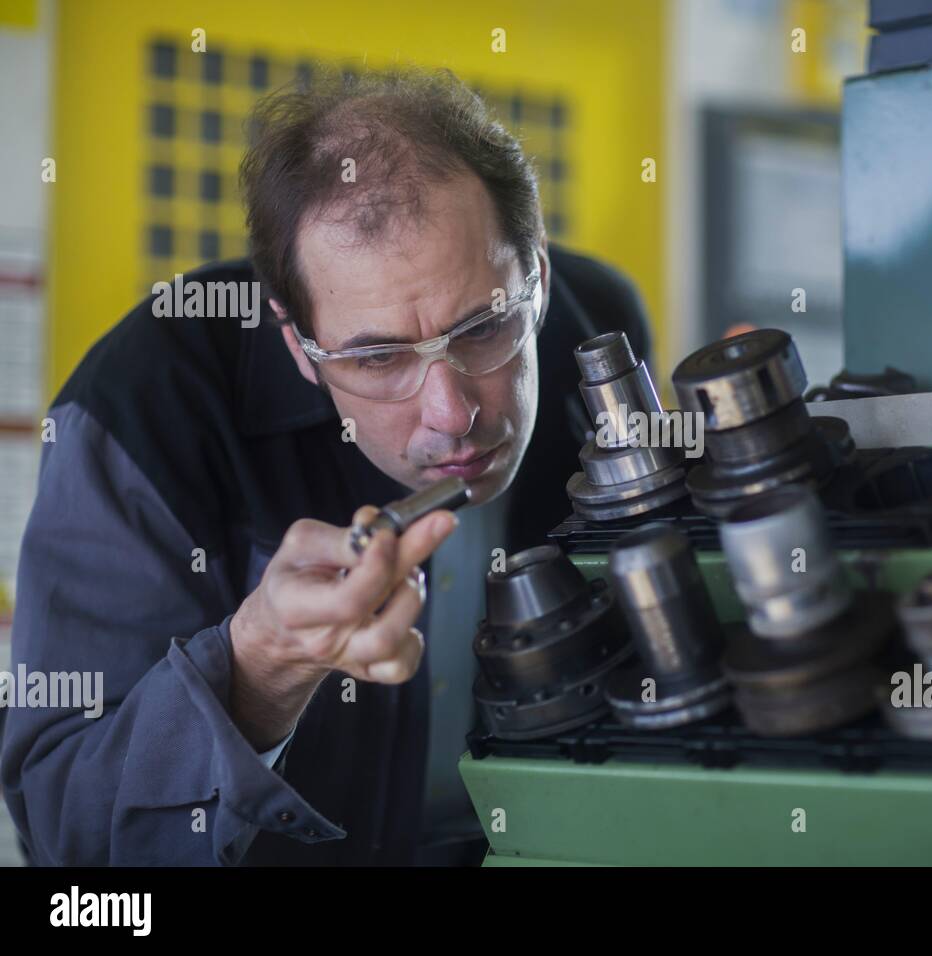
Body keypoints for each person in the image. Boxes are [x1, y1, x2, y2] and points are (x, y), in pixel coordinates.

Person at [0, 66, 650, 865]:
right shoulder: (144, 410)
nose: (453, 414)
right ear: (296, 344)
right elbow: (70, 840)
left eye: (483, 327)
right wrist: (256, 672)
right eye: (376, 358)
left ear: (537, 280)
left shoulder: (598, 330)